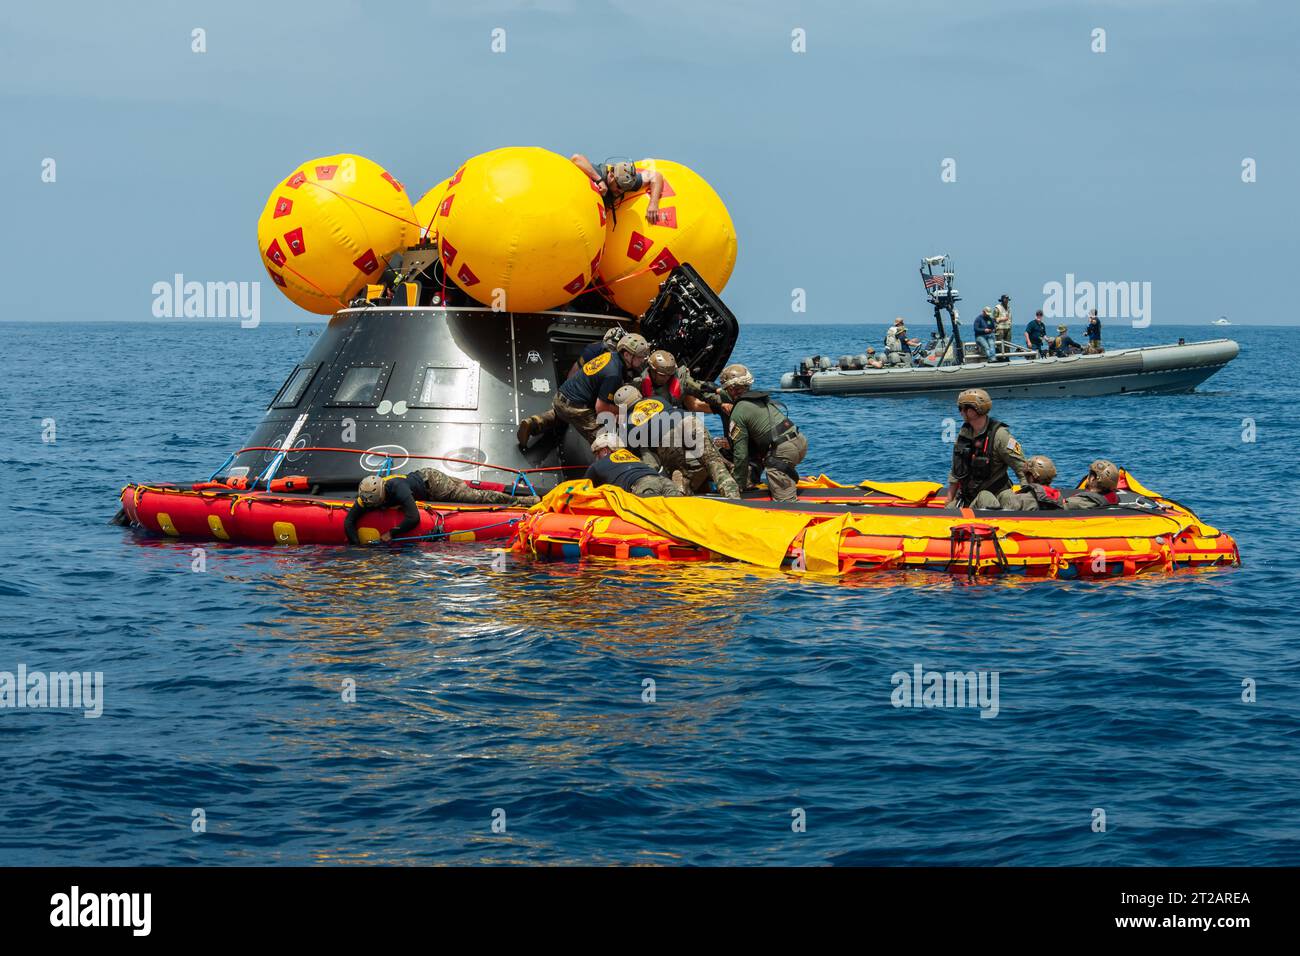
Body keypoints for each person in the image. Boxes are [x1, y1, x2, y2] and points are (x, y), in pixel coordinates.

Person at [517, 332, 650, 448]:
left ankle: (535, 422)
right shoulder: (614, 374)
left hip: (560, 398)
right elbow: (601, 408)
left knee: (561, 415)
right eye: (639, 356)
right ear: (627, 355)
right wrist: (622, 410)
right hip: (577, 409)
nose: (642, 359)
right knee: (607, 441)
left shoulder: (609, 356)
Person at [344, 470, 538, 544]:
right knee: (469, 492)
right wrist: (357, 545)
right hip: (421, 479)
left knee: (476, 497)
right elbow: (350, 520)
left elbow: (413, 518)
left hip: (434, 485)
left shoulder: (397, 488)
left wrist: (391, 533)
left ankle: (525, 501)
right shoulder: (367, 496)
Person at [613, 385, 740, 498]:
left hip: (667, 438)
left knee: (680, 468)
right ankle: (733, 494)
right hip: (689, 421)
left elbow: (635, 455)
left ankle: (682, 482)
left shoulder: (628, 423)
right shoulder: (658, 399)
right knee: (713, 461)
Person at [720, 364, 807, 502]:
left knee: (786, 504)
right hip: (799, 442)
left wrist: (738, 484)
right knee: (780, 475)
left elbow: (741, 455)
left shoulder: (738, 412)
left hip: (782, 452)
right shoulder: (758, 398)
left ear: (731, 389)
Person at [946, 387, 1029, 509]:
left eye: (962, 408)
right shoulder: (964, 435)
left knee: (990, 499)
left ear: (973, 411)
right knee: (950, 509)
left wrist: (1027, 496)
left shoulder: (1000, 436)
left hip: (997, 495)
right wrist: (949, 500)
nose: (960, 412)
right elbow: (956, 472)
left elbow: (1022, 469)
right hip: (970, 497)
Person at [570, 155, 667, 224]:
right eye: (619, 187)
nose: (621, 191)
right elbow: (576, 158)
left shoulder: (626, 182)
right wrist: (599, 180)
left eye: (625, 189)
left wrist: (653, 204)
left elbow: (655, 176)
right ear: (611, 175)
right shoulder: (600, 173)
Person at [585, 432, 683, 497]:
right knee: (678, 508)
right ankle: (679, 492)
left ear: (605, 451)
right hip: (661, 479)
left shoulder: (599, 464)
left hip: (642, 484)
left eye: (597, 453)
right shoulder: (632, 457)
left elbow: (582, 487)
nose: (596, 458)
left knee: (651, 515)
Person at [636, 349, 727, 415]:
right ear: (652, 370)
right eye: (662, 375)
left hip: (673, 420)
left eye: (669, 375)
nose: (666, 378)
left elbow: (702, 390)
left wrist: (724, 400)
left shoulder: (681, 380)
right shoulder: (638, 384)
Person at [991, 455, 1065, 511]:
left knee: (984, 494)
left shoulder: (1020, 501)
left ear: (1031, 477)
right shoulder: (1059, 500)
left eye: (1026, 474)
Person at [993, 294, 1013, 358]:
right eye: (1005, 299)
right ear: (1002, 300)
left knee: (1008, 344)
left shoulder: (1009, 307)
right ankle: (1000, 358)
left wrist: (1009, 324)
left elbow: (1010, 318)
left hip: (1008, 328)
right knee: (999, 345)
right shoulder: (997, 308)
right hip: (1000, 329)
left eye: (1007, 299)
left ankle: (1007, 358)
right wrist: (1001, 319)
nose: (1006, 300)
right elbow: (993, 318)